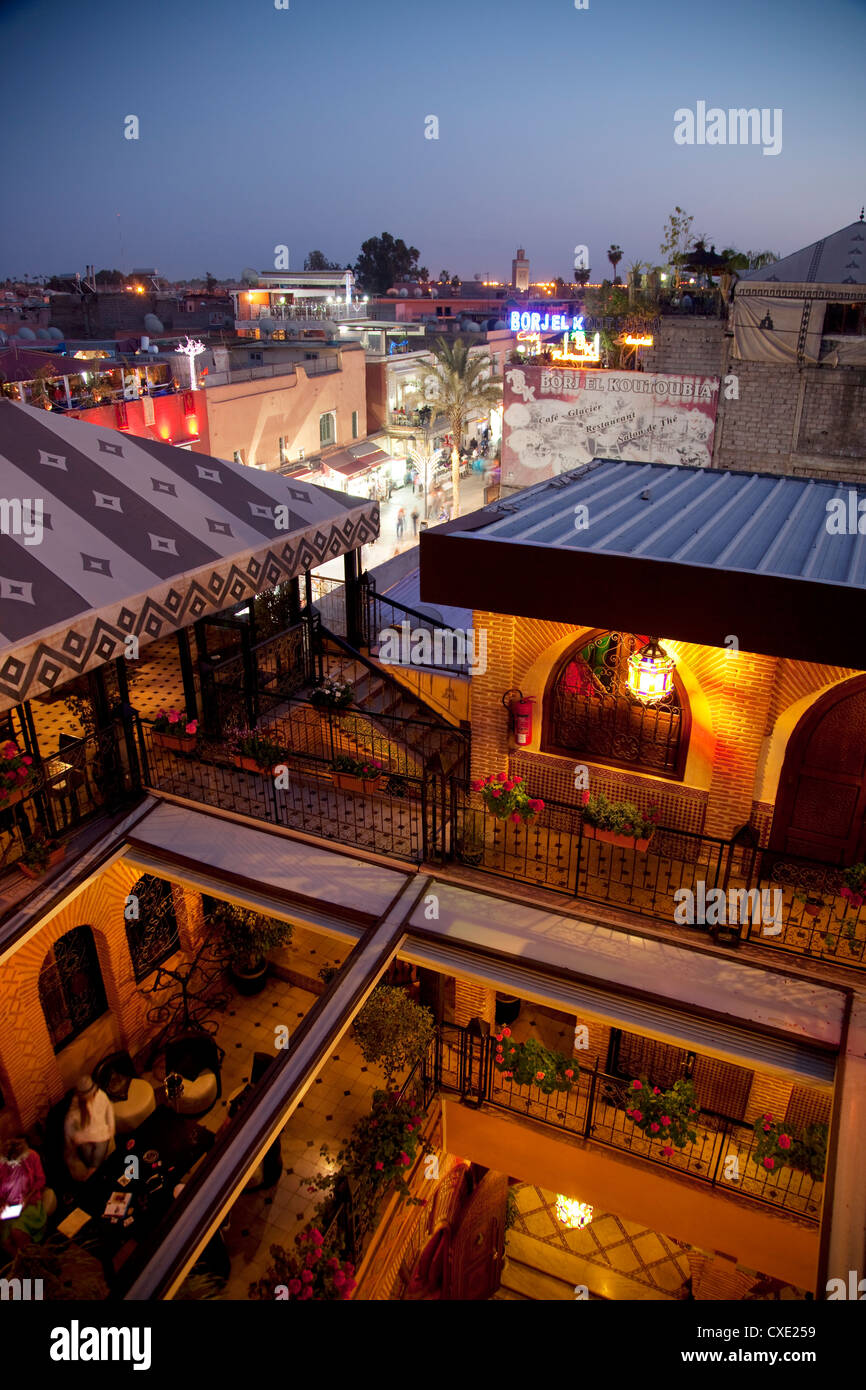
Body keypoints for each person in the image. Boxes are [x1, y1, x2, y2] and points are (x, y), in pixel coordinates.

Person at [0, 1136, 54, 1248]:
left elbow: (41, 1180)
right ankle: (23, 1262)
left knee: (17, 1231)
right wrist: (2, 1203)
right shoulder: (2, 1163)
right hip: (10, 1209)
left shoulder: (32, 1156)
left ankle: (33, 1258)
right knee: (6, 1241)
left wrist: (27, 1198)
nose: (13, 1166)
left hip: (30, 1202)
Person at [63, 1074, 115, 1180]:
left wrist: (110, 1129)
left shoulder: (100, 1096)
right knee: (87, 1150)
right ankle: (95, 1171)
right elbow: (71, 1130)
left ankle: (93, 1169)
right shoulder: (75, 1109)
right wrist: (80, 1139)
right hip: (85, 1138)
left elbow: (109, 1110)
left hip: (100, 1133)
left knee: (101, 1144)